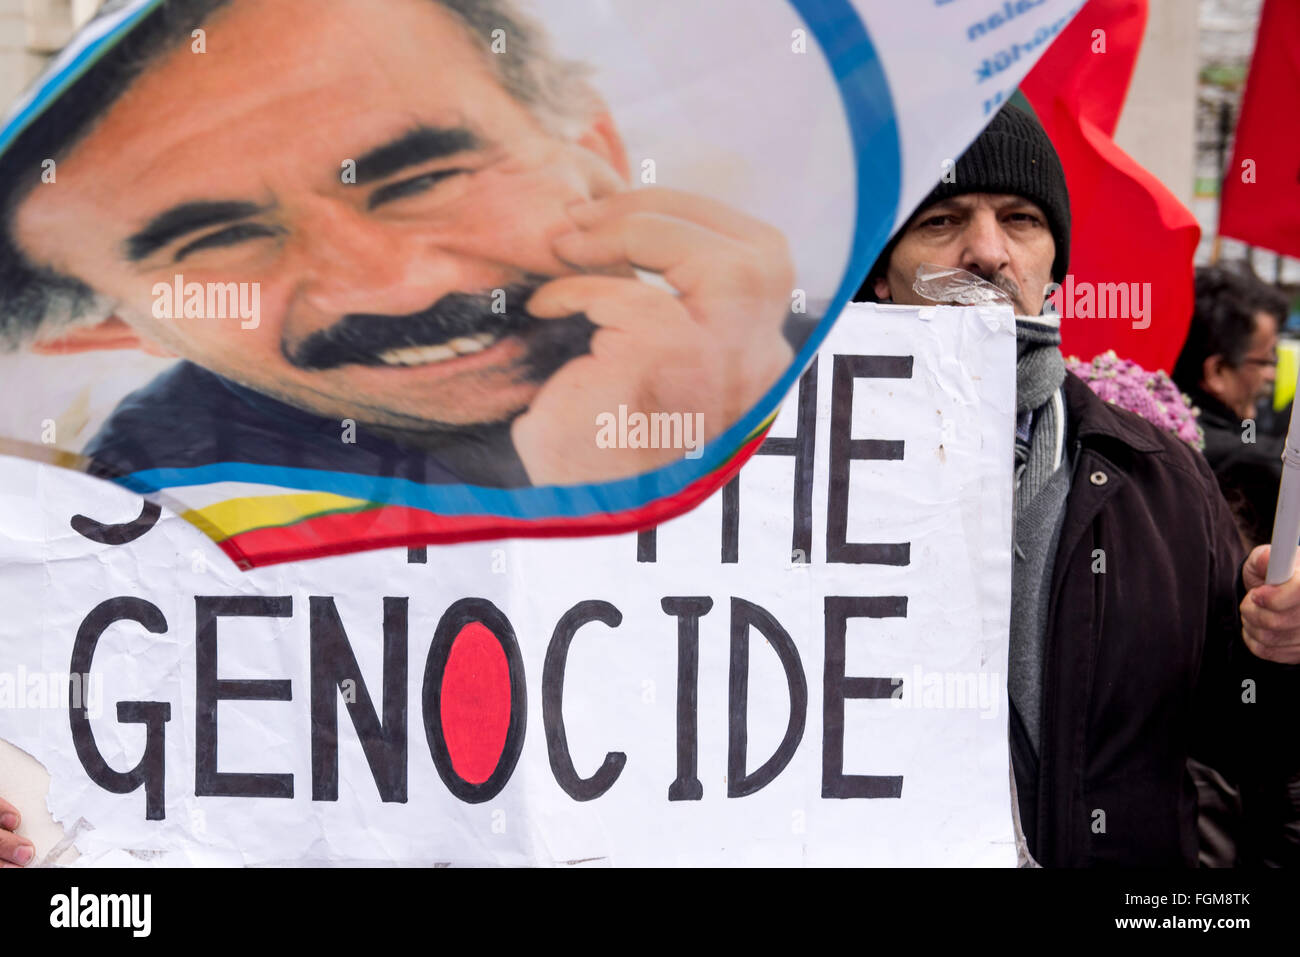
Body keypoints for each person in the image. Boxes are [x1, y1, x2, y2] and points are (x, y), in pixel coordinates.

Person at [0, 0, 802, 490]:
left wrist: (746, 453)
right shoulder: (141, 514)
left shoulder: (858, 358)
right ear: (104, 328)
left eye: (423, 179)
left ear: (596, 149)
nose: (392, 283)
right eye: (224, 240)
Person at [853, 104, 1300, 866]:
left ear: (1054, 262)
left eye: (1020, 218)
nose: (988, 252)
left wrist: (1279, 649)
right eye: (942, 220)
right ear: (883, 276)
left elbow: (1245, 745)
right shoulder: (783, 479)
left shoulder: (1160, 482)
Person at [1173, 266, 1290, 549]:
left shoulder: (1148, 422)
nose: (1272, 375)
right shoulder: (1247, 464)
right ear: (1218, 371)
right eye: (1266, 361)